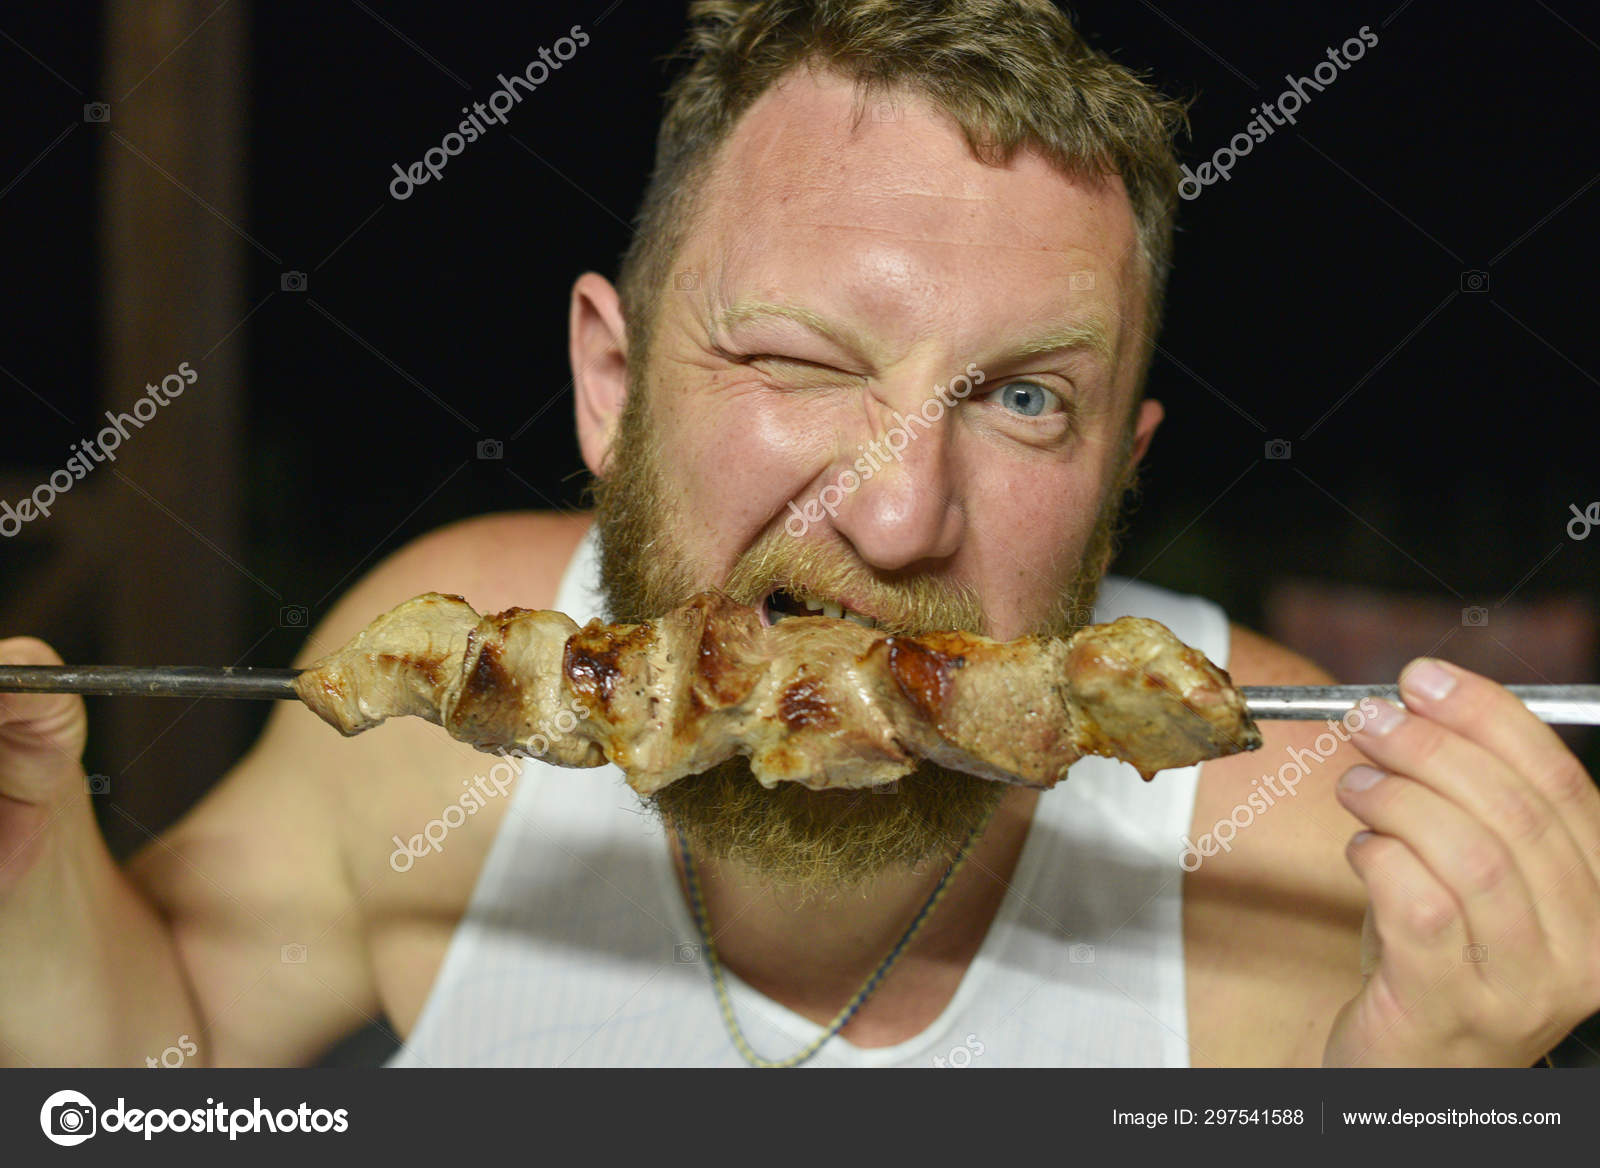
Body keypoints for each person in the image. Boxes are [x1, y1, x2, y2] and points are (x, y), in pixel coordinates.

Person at [3, 0, 1597, 1068]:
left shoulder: (1327, 870)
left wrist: (1422, 1105)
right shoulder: (435, 679)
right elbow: (160, 1057)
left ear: (1124, 471)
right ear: (610, 387)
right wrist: (27, 863)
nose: (899, 515)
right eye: (795, 359)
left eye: (1027, 401)